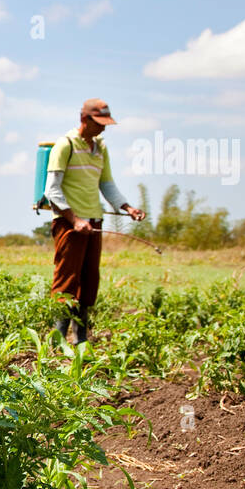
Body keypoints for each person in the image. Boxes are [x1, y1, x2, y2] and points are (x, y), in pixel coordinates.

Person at [43, 99, 144, 344]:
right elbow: (52, 190)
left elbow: (106, 184)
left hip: (94, 222)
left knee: (89, 280)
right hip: (69, 223)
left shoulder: (100, 148)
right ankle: (57, 340)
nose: (103, 128)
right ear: (84, 119)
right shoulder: (64, 146)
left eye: (105, 124)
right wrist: (75, 219)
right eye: (99, 123)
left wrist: (127, 207)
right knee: (66, 281)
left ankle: (80, 340)